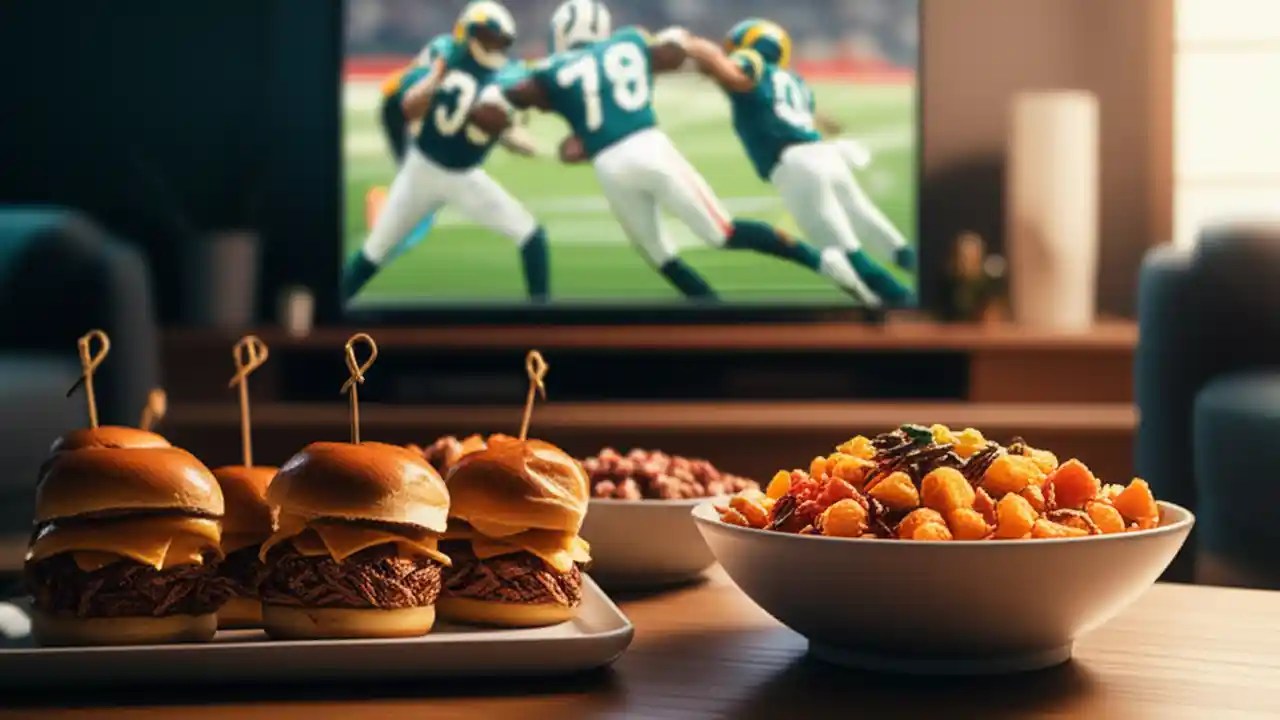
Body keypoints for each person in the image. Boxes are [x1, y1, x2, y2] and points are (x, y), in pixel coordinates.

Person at [467, 0, 879, 304]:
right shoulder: (629, 41)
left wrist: (509, 126)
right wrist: (681, 49)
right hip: (650, 146)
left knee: (659, 255)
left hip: (610, 165)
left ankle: (710, 308)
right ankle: (823, 262)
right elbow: (675, 49)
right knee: (723, 232)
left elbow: (493, 106)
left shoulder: (548, 71)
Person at [684, 19, 917, 306]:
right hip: (825, 155)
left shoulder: (751, 61)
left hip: (796, 165)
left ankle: (908, 303)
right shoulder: (792, 79)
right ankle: (933, 285)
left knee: (844, 256)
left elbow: (735, 72)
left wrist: (691, 47)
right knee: (885, 238)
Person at [342, 1, 550, 303]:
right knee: (533, 239)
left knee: (371, 256)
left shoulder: (444, 53)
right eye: (491, 39)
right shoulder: (500, 75)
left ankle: (325, 315)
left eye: (499, 40)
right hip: (447, 174)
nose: (495, 47)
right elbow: (408, 105)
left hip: (425, 168)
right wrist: (512, 134)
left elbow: (402, 103)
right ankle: (543, 319)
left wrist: (436, 81)